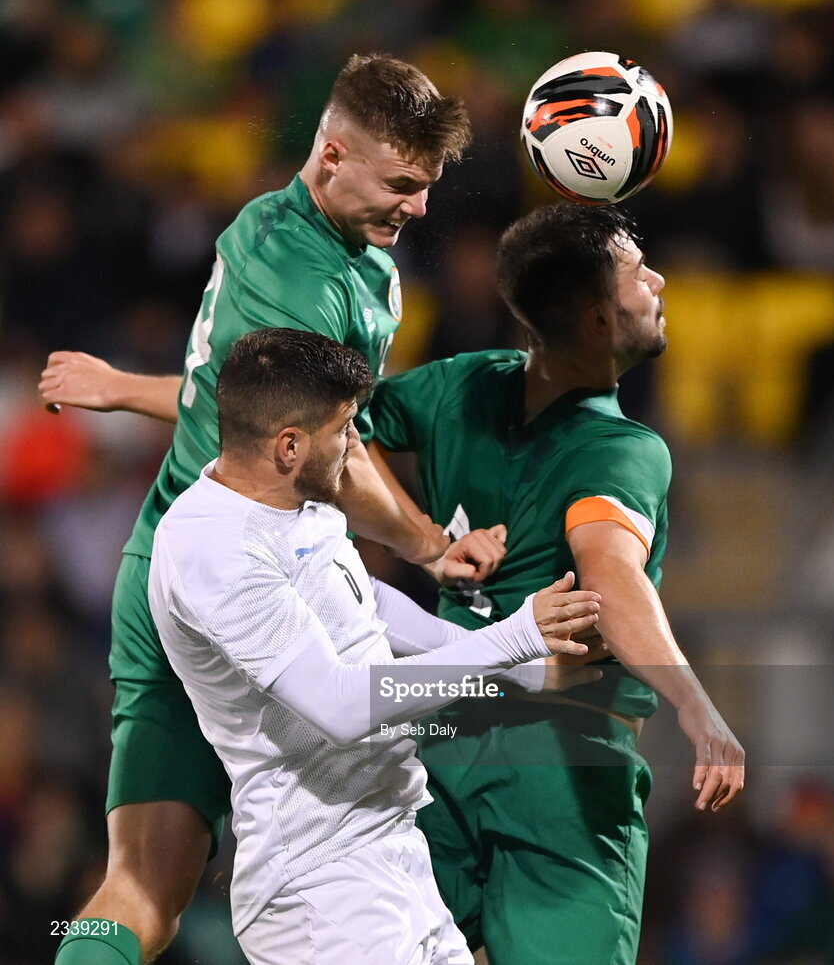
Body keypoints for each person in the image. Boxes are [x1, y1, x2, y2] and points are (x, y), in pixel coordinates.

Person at [42, 54, 474, 965]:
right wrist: (432, 547)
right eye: (402, 183)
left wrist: (127, 388)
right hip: (231, 570)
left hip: (213, 564)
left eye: (428, 186)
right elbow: (327, 452)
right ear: (330, 156)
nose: (419, 206)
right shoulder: (309, 285)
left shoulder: (302, 240)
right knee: (195, 880)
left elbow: (228, 401)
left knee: (144, 889)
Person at [148, 326, 602, 965]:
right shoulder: (214, 549)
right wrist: (515, 635)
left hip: (388, 843)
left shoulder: (300, 502)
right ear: (288, 445)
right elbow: (340, 705)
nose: (355, 446)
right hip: (316, 882)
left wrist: (525, 669)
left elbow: (369, 608)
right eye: (344, 430)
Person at [370, 202, 746, 965]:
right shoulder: (619, 448)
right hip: (562, 767)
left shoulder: (458, 385)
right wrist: (696, 705)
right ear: (600, 320)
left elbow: (329, 429)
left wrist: (422, 539)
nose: (660, 281)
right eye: (640, 274)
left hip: (437, 744)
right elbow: (607, 573)